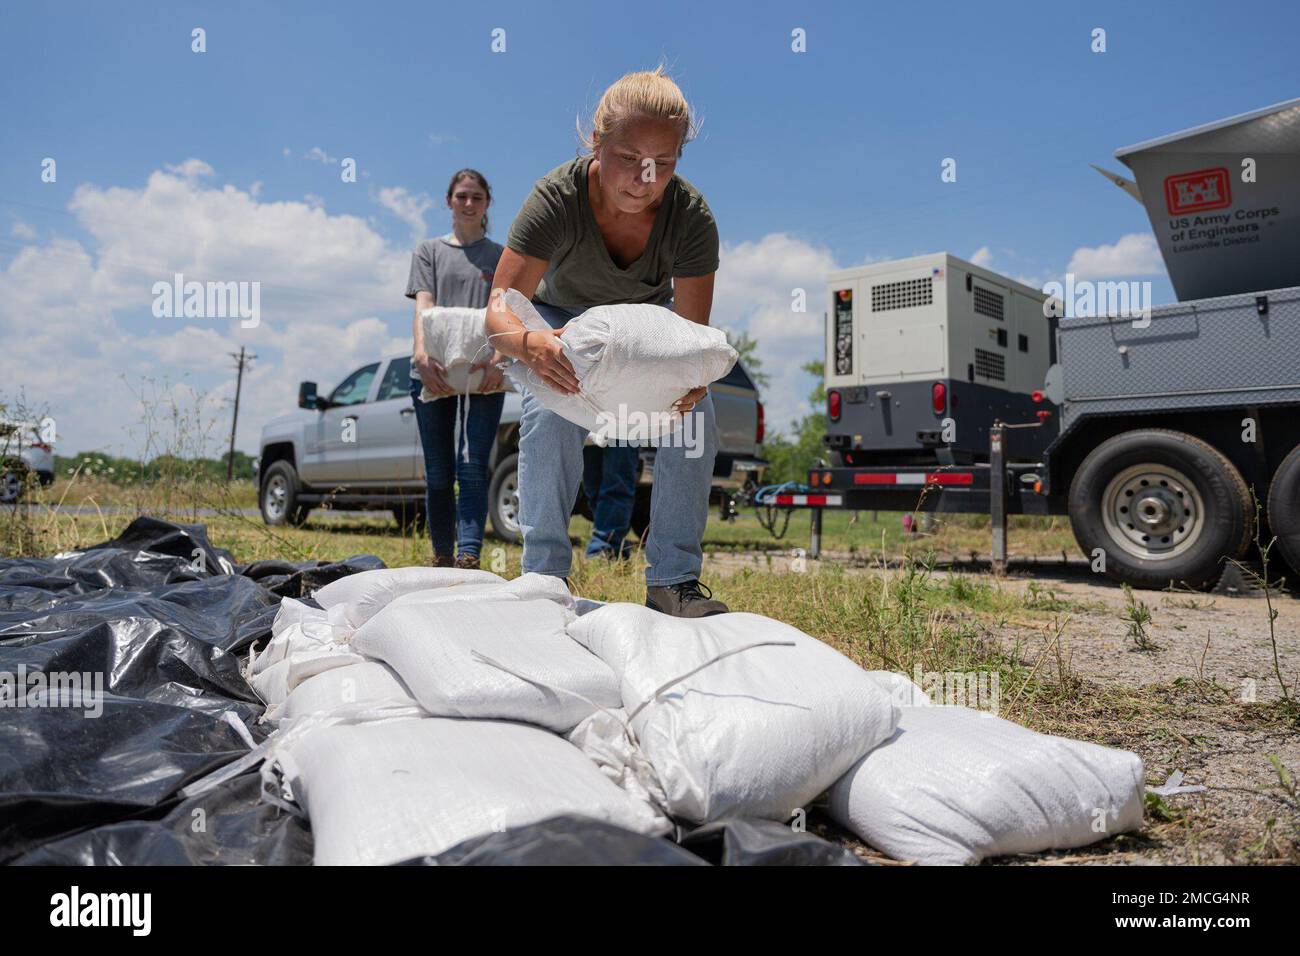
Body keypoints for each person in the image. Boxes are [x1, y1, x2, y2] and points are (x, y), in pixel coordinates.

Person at [485, 65, 728, 617]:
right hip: (558, 317)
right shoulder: (555, 198)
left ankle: (673, 580)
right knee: (548, 406)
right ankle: (544, 575)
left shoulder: (691, 220)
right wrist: (528, 345)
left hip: (643, 326)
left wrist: (689, 386)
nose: (644, 178)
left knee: (696, 414)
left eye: (662, 164)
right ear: (597, 142)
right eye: (627, 158)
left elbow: (689, 341)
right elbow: (497, 309)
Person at [405, 168, 507, 570]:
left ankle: (469, 556)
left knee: (474, 466)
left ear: (487, 204)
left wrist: (500, 359)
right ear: (449, 200)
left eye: (476, 197)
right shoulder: (428, 251)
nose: (468, 203)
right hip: (433, 370)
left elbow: (504, 312)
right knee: (439, 471)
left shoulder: (500, 257)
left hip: (485, 372)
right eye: (461, 196)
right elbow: (422, 307)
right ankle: (442, 556)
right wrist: (421, 355)